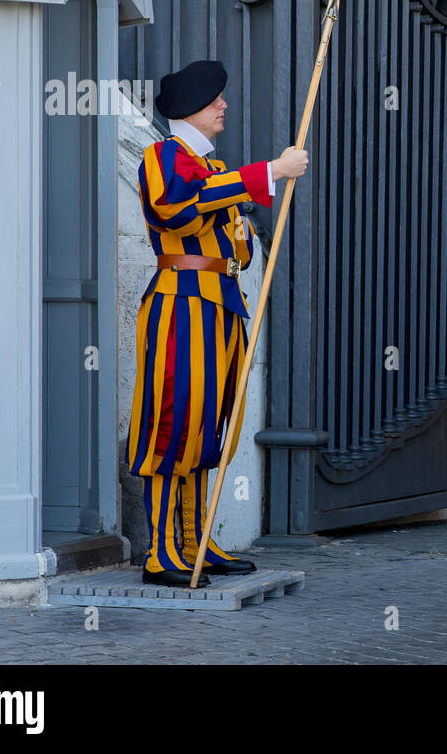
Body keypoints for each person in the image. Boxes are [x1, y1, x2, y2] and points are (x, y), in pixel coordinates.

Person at [127, 59, 308, 587]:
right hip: (180, 305)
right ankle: (162, 553)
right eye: (215, 100)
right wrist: (268, 172)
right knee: (172, 425)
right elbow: (176, 209)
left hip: (220, 305)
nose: (224, 106)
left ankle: (195, 541)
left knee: (207, 429)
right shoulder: (163, 156)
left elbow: (239, 248)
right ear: (190, 110)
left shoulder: (211, 167)